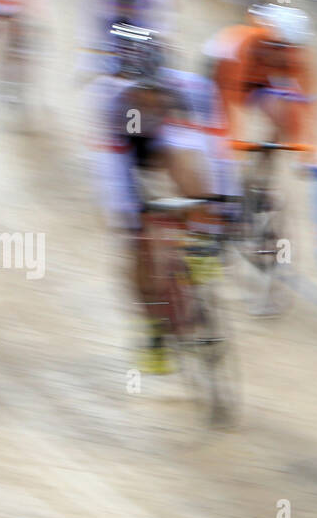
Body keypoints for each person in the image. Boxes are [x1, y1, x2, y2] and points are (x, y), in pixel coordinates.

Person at [86, 24, 226, 373]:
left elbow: (211, 154)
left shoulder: (189, 90)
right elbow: (112, 170)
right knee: (136, 248)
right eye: (137, 90)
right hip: (129, 153)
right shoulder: (110, 100)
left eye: (152, 90)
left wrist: (215, 213)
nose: (145, 97)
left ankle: (198, 251)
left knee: (189, 170)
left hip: (169, 142)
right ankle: (152, 330)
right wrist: (131, 222)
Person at [204, 4, 317, 164]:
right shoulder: (245, 44)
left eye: (293, 48)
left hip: (257, 79)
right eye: (280, 47)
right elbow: (229, 99)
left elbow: (305, 102)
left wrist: (307, 145)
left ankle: (265, 162)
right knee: (219, 124)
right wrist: (234, 140)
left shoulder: (295, 56)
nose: (287, 54)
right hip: (224, 74)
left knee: (287, 109)